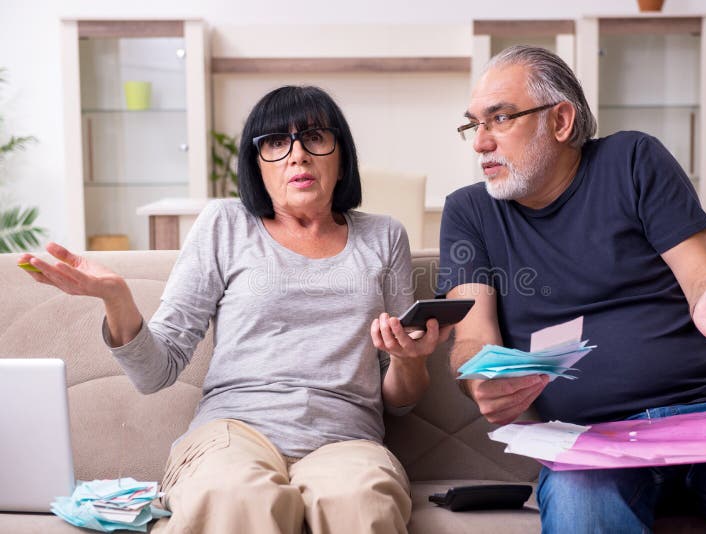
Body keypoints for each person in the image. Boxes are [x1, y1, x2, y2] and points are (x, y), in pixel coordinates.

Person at [20, 85, 447, 534]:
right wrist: (117, 300)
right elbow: (155, 372)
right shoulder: (225, 224)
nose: (297, 156)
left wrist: (407, 358)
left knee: (361, 503)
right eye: (276, 143)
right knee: (236, 497)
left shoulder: (384, 237)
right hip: (235, 432)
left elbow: (401, 400)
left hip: (346, 438)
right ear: (256, 165)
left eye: (315, 138)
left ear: (341, 156)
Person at [437, 45, 706, 533]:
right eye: (474, 125)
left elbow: (702, 273)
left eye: (499, 119)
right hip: (590, 436)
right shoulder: (468, 212)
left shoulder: (633, 159)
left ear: (561, 120)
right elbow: (470, 337)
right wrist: (480, 377)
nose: (480, 142)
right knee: (579, 501)